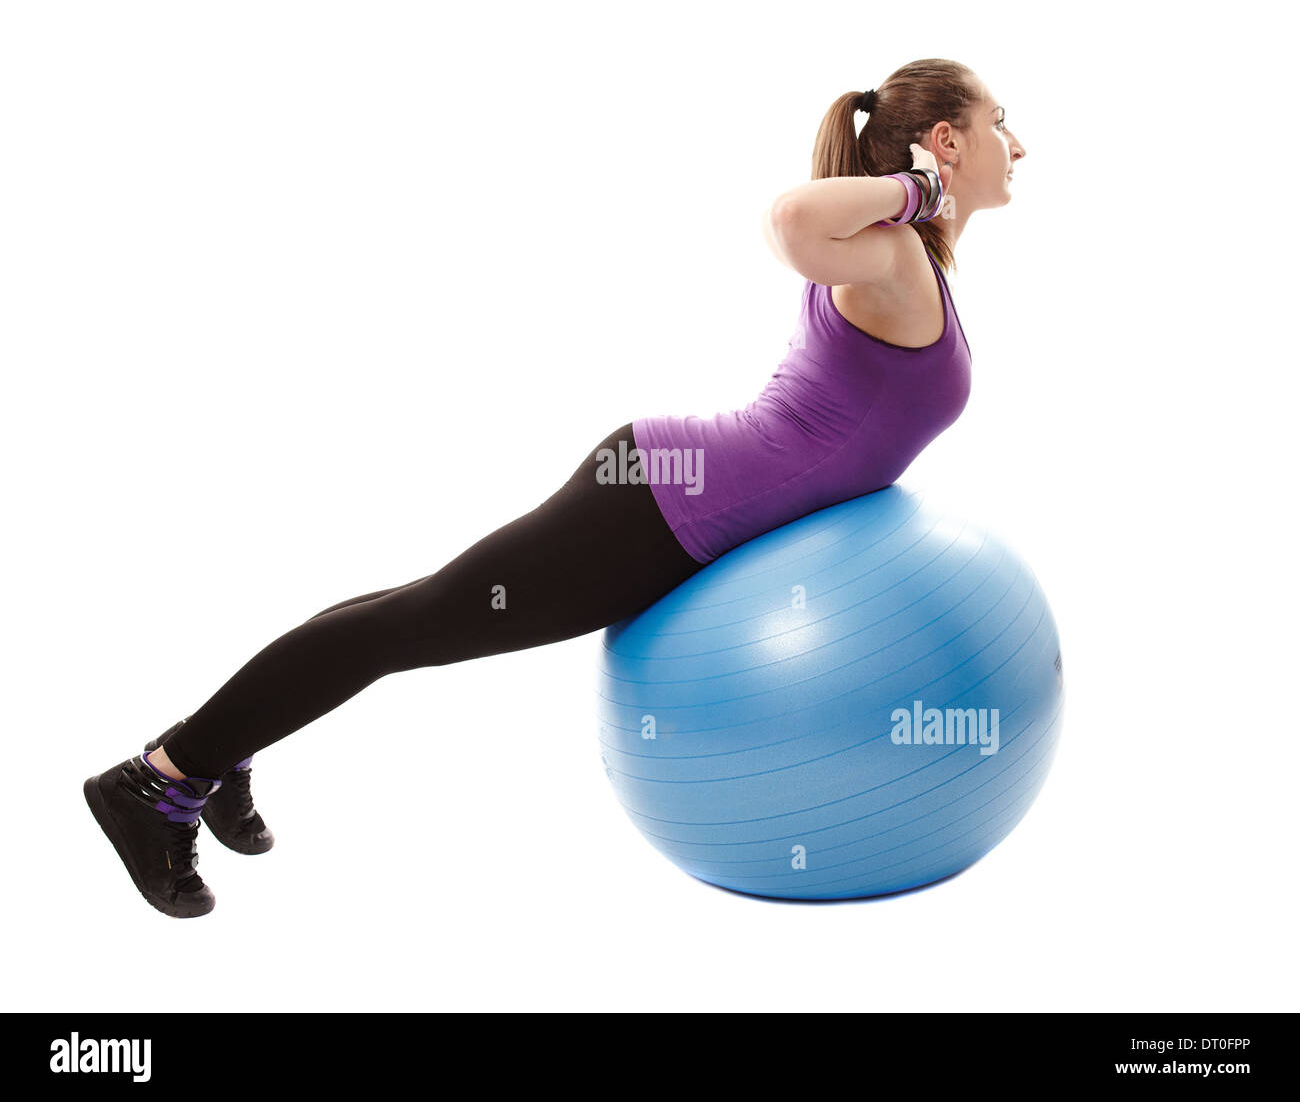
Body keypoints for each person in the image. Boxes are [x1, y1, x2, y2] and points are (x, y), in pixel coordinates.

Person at [83, 58, 1026, 917]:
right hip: (664, 504)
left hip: (678, 494)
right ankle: (156, 778)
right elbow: (787, 221)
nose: (1018, 143)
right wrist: (919, 191)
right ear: (944, 141)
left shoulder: (910, 259)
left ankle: (229, 740)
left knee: (413, 613)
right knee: (411, 625)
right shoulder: (895, 251)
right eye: (998, 120)